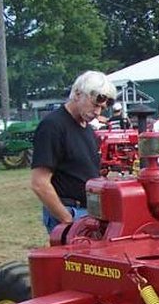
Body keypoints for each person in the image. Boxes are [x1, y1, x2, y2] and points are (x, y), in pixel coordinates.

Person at [30, 71, 116, 234]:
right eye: (95, 104)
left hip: (90, 212)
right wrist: (67, 220)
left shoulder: (88, 130)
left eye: (102, 108)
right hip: (71, 212)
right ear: (77, 94)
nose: (98, 112)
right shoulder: (53, 126)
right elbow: (39, 183)